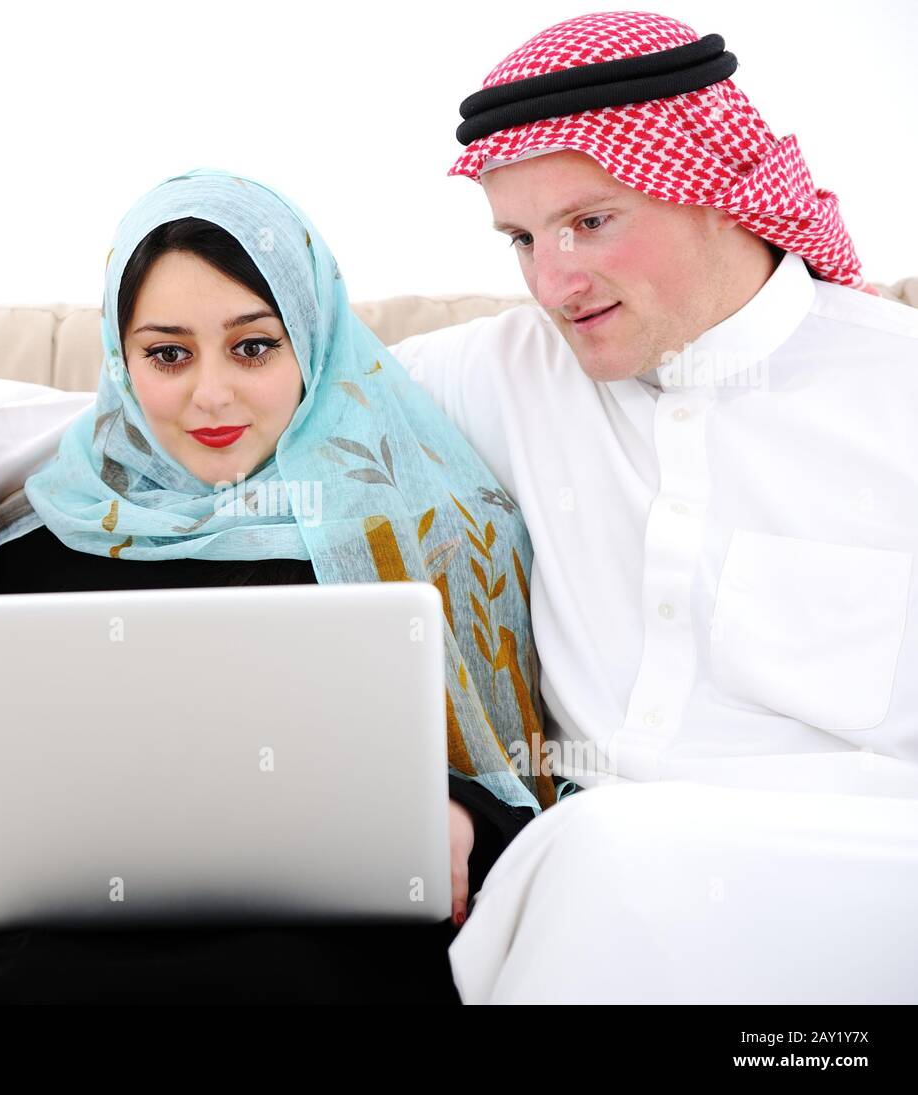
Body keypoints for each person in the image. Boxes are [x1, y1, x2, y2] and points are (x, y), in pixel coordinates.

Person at [383, 11, 918, 1002]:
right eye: (521, 239)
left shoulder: (899, 390)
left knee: (606, 850)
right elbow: (244, 404)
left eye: (590, 221)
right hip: (601, 878)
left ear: (715, 190)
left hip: (868, 877)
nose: (553, 280)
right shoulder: (506, 370)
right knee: (599, 849)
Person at [0, 168, 553, 1004]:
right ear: (121, 363)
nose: (211, 393)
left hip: (327, 939)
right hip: (72, 939)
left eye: (254, 345)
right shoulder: (30, 547)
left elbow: (524, 789)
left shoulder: (424, 530)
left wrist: (461, 819)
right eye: (167, 354)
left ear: (314, 340)